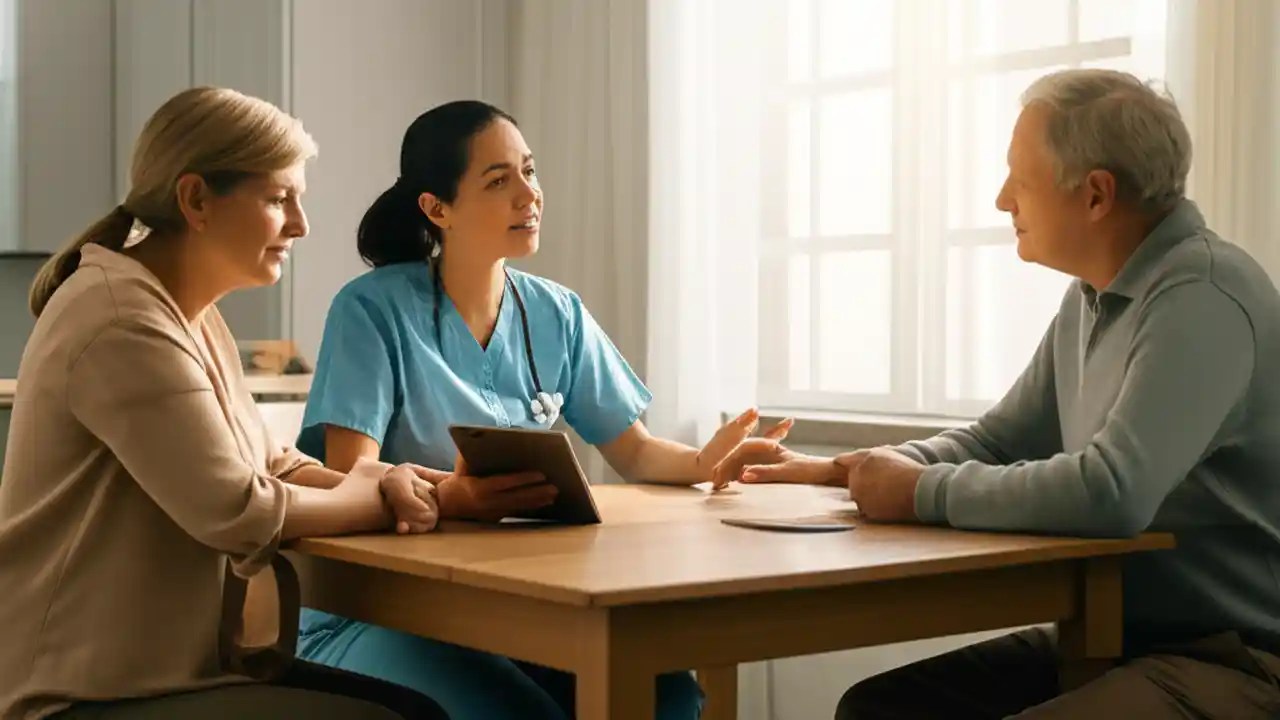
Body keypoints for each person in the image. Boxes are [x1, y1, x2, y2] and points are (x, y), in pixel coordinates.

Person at [713, 68, 1280, 719]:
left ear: (1096, 195)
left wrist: (918, 492)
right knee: (878, 710)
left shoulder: (1203, 296)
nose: (1001, 199)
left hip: (1236, 658)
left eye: (1021, 179)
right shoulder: (1095, 296)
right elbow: (999, 441)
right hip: (1113, 632)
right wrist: (853, 470)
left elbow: (1112, 492)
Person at [293, 100, 789, 720]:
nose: (529, 195)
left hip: (509, 602)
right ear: (437, 208)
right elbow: (349, 474)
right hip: (373, 609)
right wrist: (451, 497)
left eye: (529, 171)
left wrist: (704, 462)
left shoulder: (558, 312)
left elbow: (634, 450)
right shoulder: (370, 309)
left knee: (668, 695)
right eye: (498, 181)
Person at [0, 87, 450, 720]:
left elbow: (273, 465)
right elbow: (239, 510)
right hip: (79, 693)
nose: (301, 224)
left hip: (174, 670)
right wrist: (375, 496)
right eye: (278, 199)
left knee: (421, 711)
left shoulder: (189, 313)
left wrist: (387, 480)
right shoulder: (121, 318)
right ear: (195, 200)